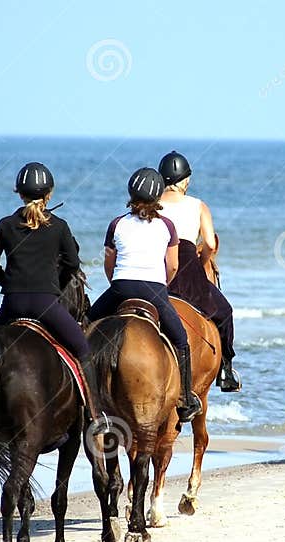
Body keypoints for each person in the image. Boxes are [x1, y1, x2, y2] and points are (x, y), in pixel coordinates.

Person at [86, 167, 203, 423]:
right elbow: (172, 265)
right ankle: (184, 398)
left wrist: (117, 285)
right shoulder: (167, 226)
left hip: (120, 287)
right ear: (157, 197)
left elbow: (109, 262)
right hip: (155, 290)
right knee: (181, 339)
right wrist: (161, 285)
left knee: (85, 325)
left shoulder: (116, 224)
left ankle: (80, 393)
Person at [0, 162, 91, 361]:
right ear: (48, 194)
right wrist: (55, 285)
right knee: (84, 350)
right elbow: (73, 264)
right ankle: (93, 394)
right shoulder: (59, 226)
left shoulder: (5, 224)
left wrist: (9, 283)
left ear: (20, 194)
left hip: (11, 305)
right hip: (46, 304)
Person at [157, 150, 241, 392]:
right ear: (185, 181)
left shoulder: (150, 205)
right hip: (186, 270)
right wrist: (201, 260)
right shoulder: (198, 205)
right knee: (224, 312)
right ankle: (226, 371)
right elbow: (211, 244)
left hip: (156, 270)